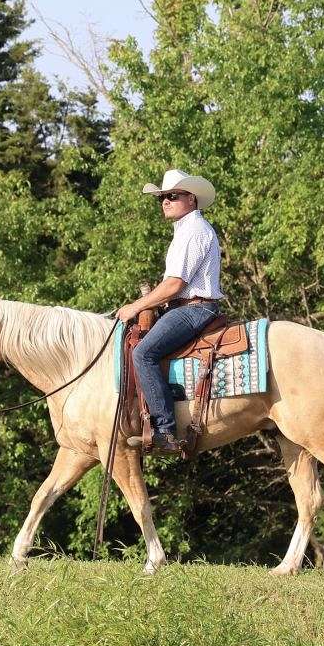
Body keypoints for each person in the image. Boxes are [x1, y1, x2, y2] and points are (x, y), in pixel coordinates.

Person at [116, 168, 224, 454]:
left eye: (172, 195)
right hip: (189, 307)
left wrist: (135, 307)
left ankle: (165, 430)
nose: (165, 201)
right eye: (162, 197)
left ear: (191, 199)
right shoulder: (187, 230)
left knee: (143, 353)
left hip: (194, 309)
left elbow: (175, 284)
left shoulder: (193, 231)